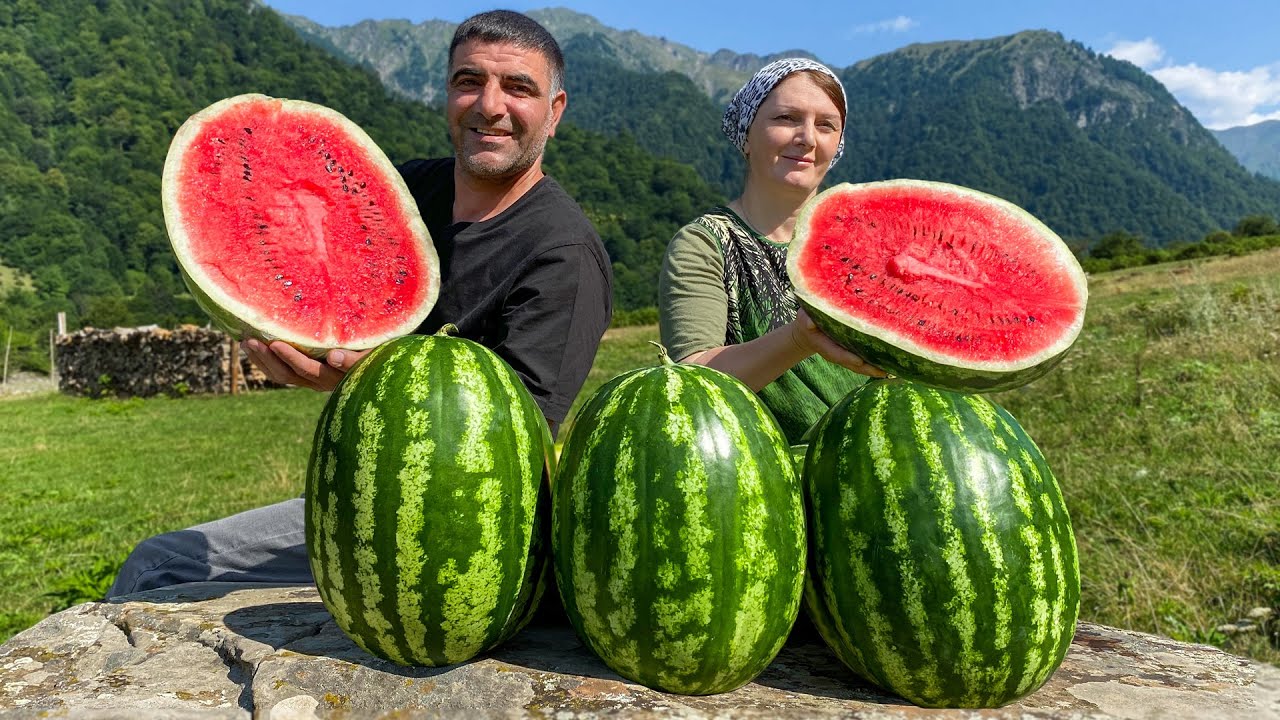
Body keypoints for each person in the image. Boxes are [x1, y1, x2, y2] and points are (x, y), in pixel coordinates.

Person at [108, 10, 612, 598]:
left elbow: (514, 438)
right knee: (160, 562)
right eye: (468, 82)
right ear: (448, 92)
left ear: (554, 112)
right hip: (364, 484)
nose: (489, 106)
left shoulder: (564, 254)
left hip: (463, 525)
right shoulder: (405, 191)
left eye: (518, 88)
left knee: (161, 566)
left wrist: (358, 382)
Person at [659, 58, 884, 443]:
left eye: (826, 125)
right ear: (747, 135)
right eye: (786, 119)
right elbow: (692, 381)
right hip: (766, 479)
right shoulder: (705, 244)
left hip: (882, 458)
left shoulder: (868, 242)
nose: (808, 138)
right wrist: (799, 339)